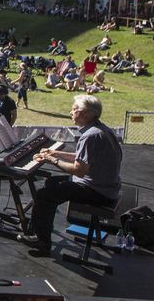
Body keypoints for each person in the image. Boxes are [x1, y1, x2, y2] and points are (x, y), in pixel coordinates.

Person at [22, 95, 123, 255]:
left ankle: (42, 241)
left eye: (74, 109)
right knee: (52, 183)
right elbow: (83, 158)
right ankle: (42, 225)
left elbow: (79, 170)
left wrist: (51, 159)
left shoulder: (90, 136)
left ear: (85, 113)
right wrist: (56, 153)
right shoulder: (100, 130)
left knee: (43, 195)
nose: (71, 112)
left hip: (97, 191)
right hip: (106, 186)